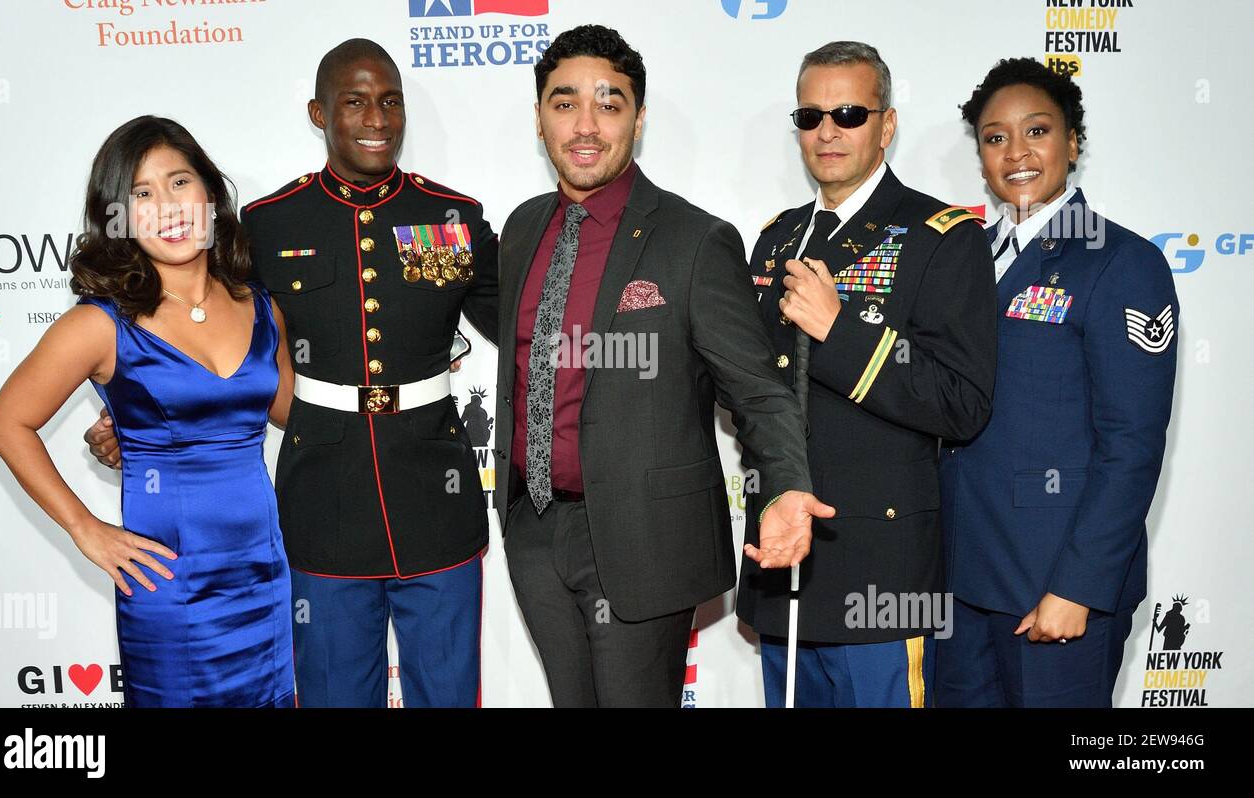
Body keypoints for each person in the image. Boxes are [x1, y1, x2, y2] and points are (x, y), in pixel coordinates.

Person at [84, 39, 500, 708]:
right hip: (321, 506)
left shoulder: (450, 217)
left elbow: (523, 327)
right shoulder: (271, 225)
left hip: (436, 500)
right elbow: (206, 326)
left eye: (390, 102)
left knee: (449, 694)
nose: (377, 119)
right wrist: (137, 407)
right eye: (355, 102)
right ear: (318, 112)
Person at [492, 25, 833, 708]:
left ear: (638, 119)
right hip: (532, 532)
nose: (585, 125)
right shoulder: (522, 228)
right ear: (538, 118)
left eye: (609, 104)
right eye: (564, 104)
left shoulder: (695, 240)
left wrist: (786, 487)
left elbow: (761, 392)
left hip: (642, 541)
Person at [0, 116, 295, 707]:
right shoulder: (100, 324)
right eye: (142, 195)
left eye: (180, 183)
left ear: (210, 192)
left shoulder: (261, 308)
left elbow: (290, 413)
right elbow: (7, 421)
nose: (168, 207)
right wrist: (86, 530)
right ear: (118, 218)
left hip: (266, 576)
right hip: (168, 588)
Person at [736, 41, 997, 708]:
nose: (827, 131)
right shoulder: (776, 237)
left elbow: (962, 403)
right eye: (811, 115)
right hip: (783, 562)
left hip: (879, 574)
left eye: (850, 113)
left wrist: (841, 331)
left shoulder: (940, 234)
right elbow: (758, 395)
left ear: (886, 125)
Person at [936, 57, 1178, 708]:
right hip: (959, 587)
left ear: (1073, 142)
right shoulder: (959, 259)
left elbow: (1132, 443)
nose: (1016, 153)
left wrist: (1080, 586)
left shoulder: (1124, 263)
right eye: (995, 137)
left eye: (1036, 131)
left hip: (1056, 588)